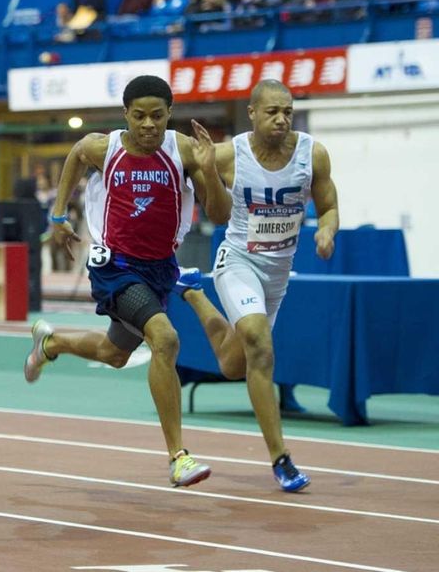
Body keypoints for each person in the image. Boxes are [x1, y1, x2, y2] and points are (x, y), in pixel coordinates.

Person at [23, 75, 230, 487]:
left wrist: (208, 171)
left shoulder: (184, 151)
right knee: (165, 339)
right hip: (114, 266)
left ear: (170, 115)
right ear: (126, 115)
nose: (149, 125)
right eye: (139, 116)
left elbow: (220, 215)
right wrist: (59, 215)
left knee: (114, 353)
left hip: (159, 269)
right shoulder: (107, 147)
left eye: (157, 116)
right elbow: (78, 154)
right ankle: (178, 457)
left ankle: (52, 343)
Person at [175, 79, 338, 492]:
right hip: (239, 262)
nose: (282, 119)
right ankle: (281, 458)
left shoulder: (312, 153)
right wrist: (208, 169)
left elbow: (330, 204)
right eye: (272, 112)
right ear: (252, 113)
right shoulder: (232, 154)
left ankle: (194, 295)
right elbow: (214, 211)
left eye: (288, 111)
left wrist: (326, 232)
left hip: (278, 273)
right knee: (259, 343)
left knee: (235, 364)